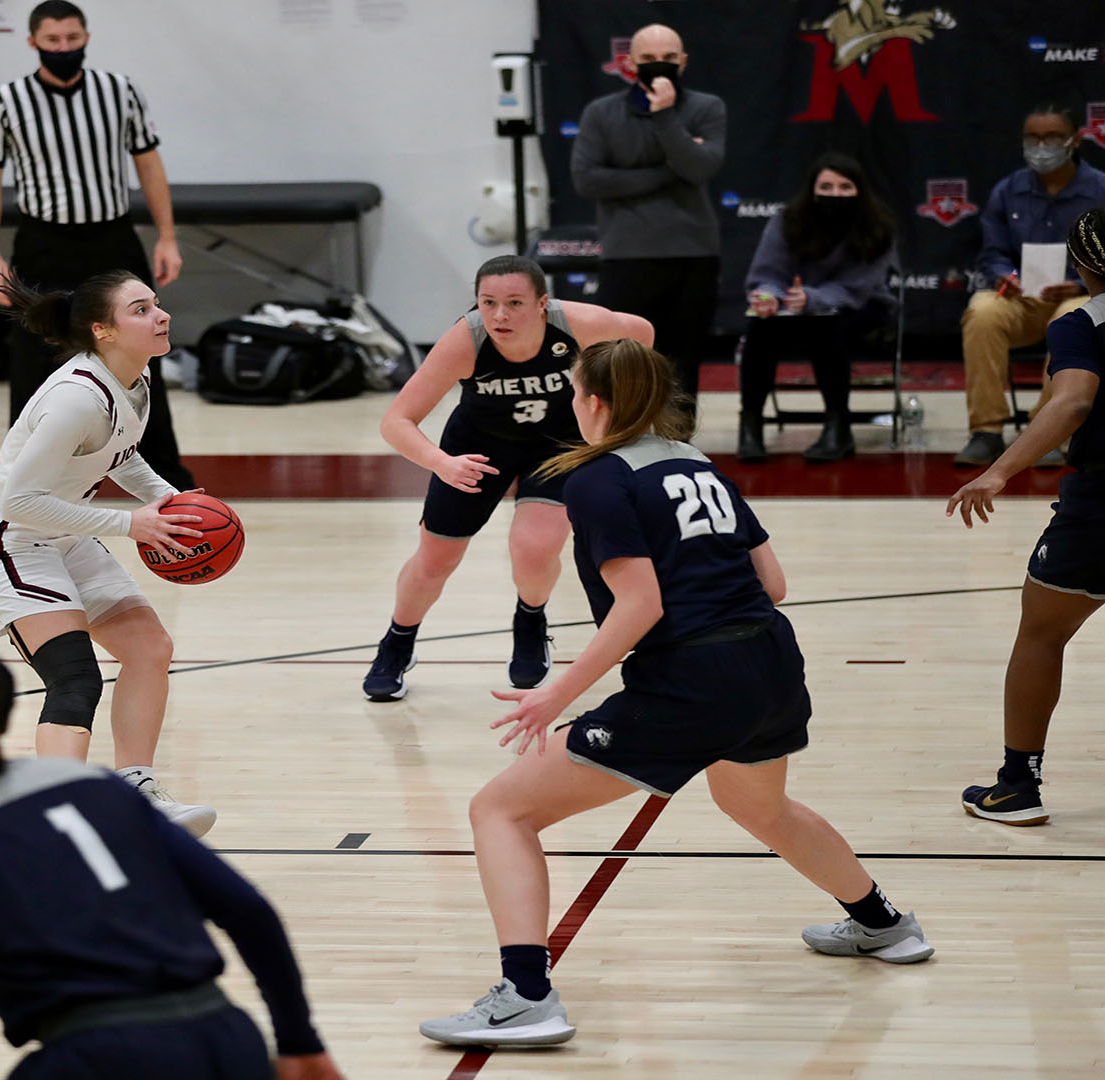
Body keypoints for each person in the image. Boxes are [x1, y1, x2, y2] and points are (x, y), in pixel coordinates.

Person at [418, 339, 932, 1049]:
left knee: (500, 810)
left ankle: (525, 996)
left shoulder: (595, 479)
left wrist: (555, 692)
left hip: (692, 680)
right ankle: (883, 924)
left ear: (594, 402)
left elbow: (640, 606)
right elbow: (774, 585)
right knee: (756, 803)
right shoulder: (696, 463)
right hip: (770, 661)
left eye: (575, 393)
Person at [0, 646, 343, 1080]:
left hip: (96, 1057)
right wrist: (300, 1040)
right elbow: (248, 910)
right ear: (2, 718)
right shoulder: (100, 787)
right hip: (228, 1038)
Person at [0, 269, 214, 834]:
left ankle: (135, 788)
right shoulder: (76, 400)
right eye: (141, 309)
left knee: (150, 647)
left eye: (158, 304)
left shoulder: (136, 381)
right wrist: (131, 524)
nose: (161, 315)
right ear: (104, 331)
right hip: (9, 540)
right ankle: (58, 820)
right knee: (75, 678)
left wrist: (168, 499)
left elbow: (117, 455)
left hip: (65, 533)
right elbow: (20, 501)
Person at [362, 255, 653, 702]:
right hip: (477, 448)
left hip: (556, 445)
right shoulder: (466, 341)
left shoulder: (580, 325)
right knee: (435, 560)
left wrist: (613, 403)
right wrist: (441, 462)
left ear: (543, 303)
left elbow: (642, 333)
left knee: (534, 549)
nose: (499, 315)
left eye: (515, 303)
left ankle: (531, 620)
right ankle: (398, 641)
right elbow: (396, 421)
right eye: (488, 302)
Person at [0, 0, 194, 491]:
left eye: (73, 39)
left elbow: (149, 165)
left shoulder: (119, 91)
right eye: (53, 41)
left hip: (111, 238)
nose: (64, 49)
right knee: (33, 358)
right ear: (32, 42)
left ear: (86, 37)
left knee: (139, 354)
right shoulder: (5, 101)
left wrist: (168, 236)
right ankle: (29, 481)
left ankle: (163, 477)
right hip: (43, 241)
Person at [946, 209, 1105, 827]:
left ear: (1082, 265)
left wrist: (999, 469)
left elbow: (1073, 399)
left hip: (1099, 508)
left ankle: (1018, 785)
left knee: (1042, 632)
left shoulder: (1081, 322)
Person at [570, 23, 727, 423]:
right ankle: (620, 432)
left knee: (683, 355)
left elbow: (698, 167)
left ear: (684, 61)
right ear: (630, 63)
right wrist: (665, 173)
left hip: (692, 250)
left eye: (670, 59)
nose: (660, 65)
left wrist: (664, 116)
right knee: (619, 354)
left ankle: (678, 438)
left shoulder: (707, 107)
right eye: (650, 59)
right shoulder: (601, 113)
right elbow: (587, 179)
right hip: (628, 252)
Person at [953, 104, 1105, 468]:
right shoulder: (1008, 190)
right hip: (1020, 296)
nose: (1041, 145)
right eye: (1032, 138)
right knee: (982, 311)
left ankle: (1048, 429)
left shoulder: (1100, 188)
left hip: (1080, 293)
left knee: (1072, 318)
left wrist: (1074, 283)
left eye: (1051, 137)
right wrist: (1006, 276)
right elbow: (991, 254)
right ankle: (986, 431)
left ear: (1074, 140)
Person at [737, 151, 897, 463]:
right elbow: (767, 274)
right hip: (796, 308)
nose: (834, 194)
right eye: (826, 187)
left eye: (844, 187)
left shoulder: (879, 227)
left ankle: (838, 426)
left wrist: (812, 298)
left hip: (860, 308)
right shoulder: (787, 220)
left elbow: (859, 286)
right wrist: (768, 298)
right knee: (760, 324)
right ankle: (750, 423)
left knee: (827, 325)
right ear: (812, 190)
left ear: (859, 191)